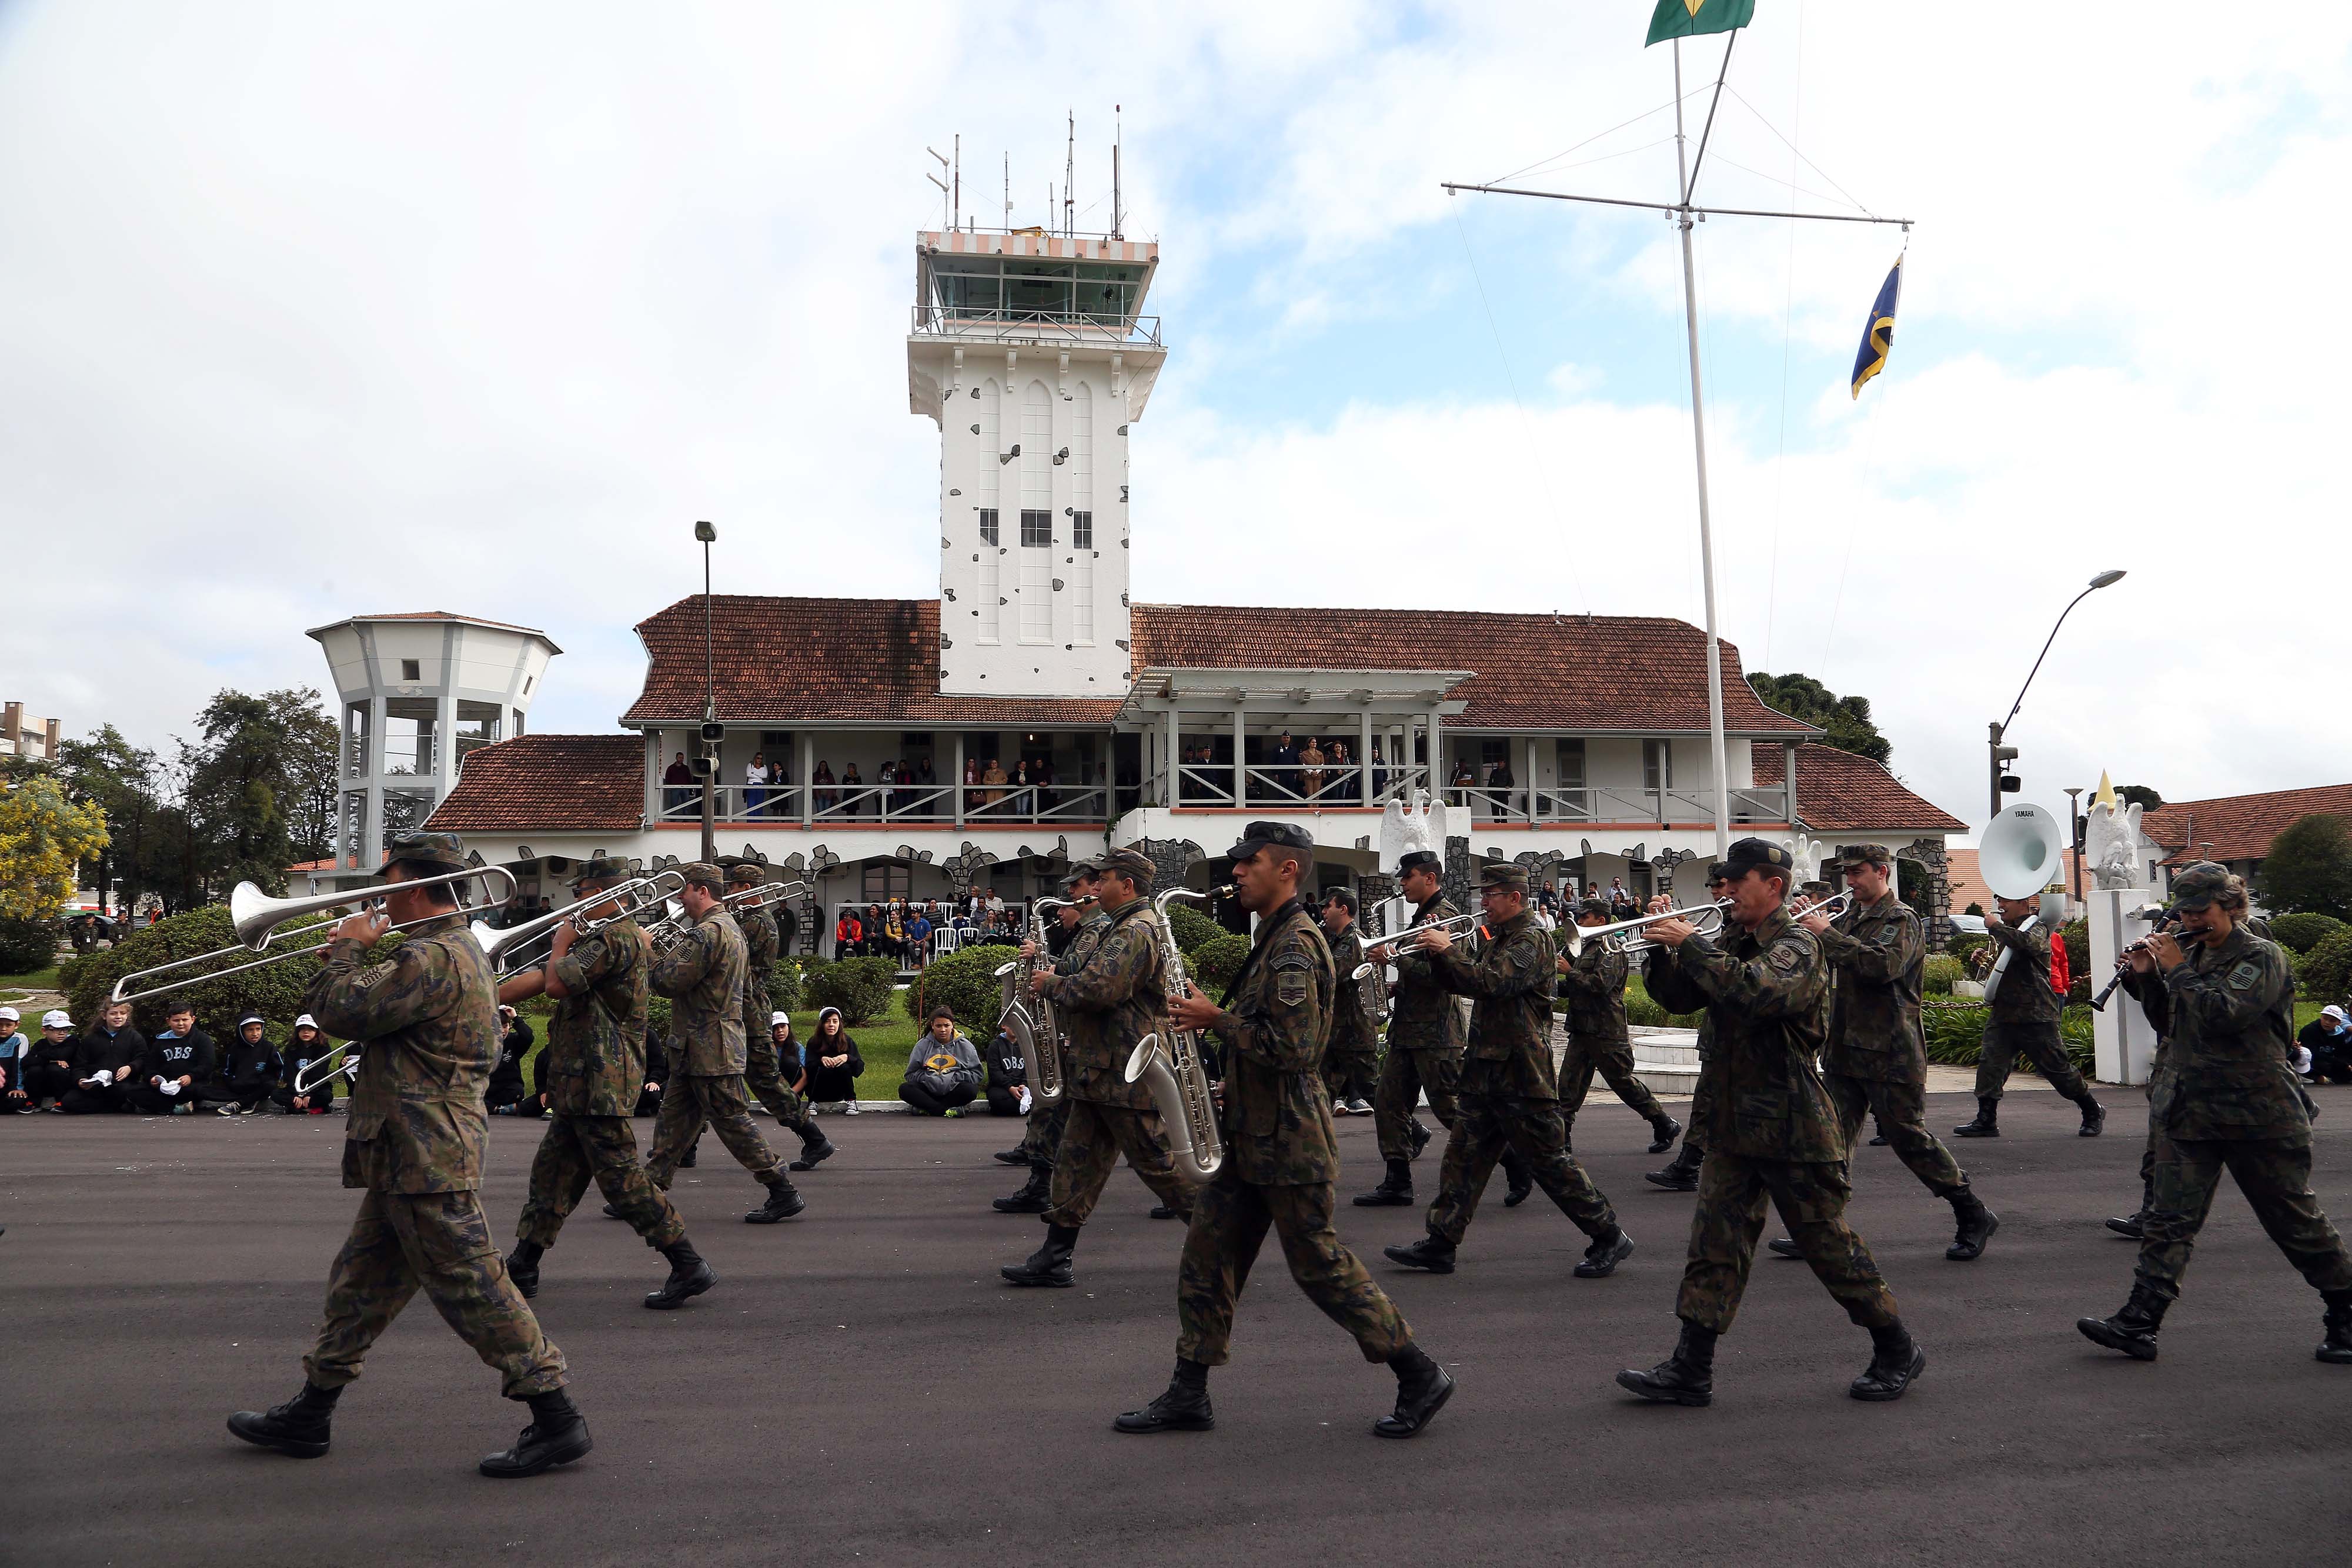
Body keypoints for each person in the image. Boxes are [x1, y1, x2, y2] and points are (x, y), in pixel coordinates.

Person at [226, 830, 586, 1479]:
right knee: (359, 1285)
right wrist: (356, 956)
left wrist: (345, 951)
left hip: (425, 1153)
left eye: (387, 884)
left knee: (474, 1285)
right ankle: (312, 1410)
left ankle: (557, 1417)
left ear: (415, 886)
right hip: (410, 1150)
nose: (379, 899)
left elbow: (338, 1010)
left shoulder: (432, 956)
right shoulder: (447, 949)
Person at [1121, 821, 1449, 1440]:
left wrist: (1217, 1019)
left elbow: (1295, 1050)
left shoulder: (1295, 945)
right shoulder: (1272, 936)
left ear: (1287, 869)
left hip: (1290, 1140)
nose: (1237, 871)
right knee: (1207, 1258)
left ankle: (1418, 1372)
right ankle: (1189, 1391)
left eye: (1250, 862)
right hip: (1252, 1130)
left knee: (1319, 1264)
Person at [1616, 837, 1922, 1408]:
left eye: (1738, 882)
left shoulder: (1798, 944)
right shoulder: (1733, 939)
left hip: (1791, 1122)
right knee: (1714, 1244)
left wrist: (1691, 943)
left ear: (1773, 886)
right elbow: (1681, 999)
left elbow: (1756, 992)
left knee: (1826, 1243)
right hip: (1734, 1121)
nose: (1726, 891)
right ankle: (1691, 1368)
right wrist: (1660, 947)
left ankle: (1895, 1346)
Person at [2078, 863, 2352, 1365]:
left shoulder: (2260, 955)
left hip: (2257, 1114)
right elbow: (2173, 1025)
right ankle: (2139, 1321)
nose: (2190, 920)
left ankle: (2345, 1310)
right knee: (2168, 1221)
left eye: (2200, 911)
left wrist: (2176, 967)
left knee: (2293, 1220)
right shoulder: (2195, 953)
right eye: (2184, 912)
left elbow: (2224, 1015)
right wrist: (2147, 979)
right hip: (2192, 1112)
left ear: (2230, 906)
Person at [1384, 863, 1632, 1281]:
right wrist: (1436, 953)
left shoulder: (1531, 939)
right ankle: (1441, 1242)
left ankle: (1608, 1234)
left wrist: (1447, 950)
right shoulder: (1499, 938)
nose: (1483, 902)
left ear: (1514, 898)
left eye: (1491, 895)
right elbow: (1462, 983)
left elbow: (1493, 983)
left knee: (1550, 1162)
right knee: (1462, 1157)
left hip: (1521, 1072)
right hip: (1486, 1068)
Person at [496, 857, 714, 1312]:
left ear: (598, 892)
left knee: (623, 1181)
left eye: (579, 893)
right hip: (582, 1080)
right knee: (552, 1174)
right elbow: (546, 979)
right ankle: (525, 1262)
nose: (574, 902)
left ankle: (688, 1263)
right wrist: (482, 992)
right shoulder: (612, 936)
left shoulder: (613, 937)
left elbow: (555, 984)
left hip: (599, 1080)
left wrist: (561, 940)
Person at [1762, 847, 1996, 1264]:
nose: (1850, 880)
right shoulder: (1851, 915)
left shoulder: (1900, 918)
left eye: (1857, 872)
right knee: (1830, 1140)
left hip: (1890, 1049)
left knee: (1909, 1138)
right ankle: (1820, 1227)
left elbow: (1882, 966)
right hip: (1846, 1047)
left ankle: (1971, 1210)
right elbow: (1821, 957)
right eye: (1846, 873)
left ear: (1882, 872)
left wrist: (1826, 932)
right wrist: (1800, 922)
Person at [1001, 848, 1195, 1288]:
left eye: (1103, 879)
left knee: (1162, 1168)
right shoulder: (1120, 925)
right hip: (1100, 1072)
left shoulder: (1135, 929)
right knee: (1075, 1165)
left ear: (1127, 885)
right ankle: (1055, 1257)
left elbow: (1101, 989)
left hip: (1125, 1074)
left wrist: (1051, 984)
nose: (1094, 887)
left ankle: (1225, 1242)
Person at [643, 863, 804, 1225]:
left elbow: (668, 981)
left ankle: (781, 1190)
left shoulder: (707, 933)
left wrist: (649, 950)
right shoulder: (731, 927)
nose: (680, 898)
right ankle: (647, 1191)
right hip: (700, 1045)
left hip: (708, 1047)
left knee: (732, 1121)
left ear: (702, 891)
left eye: (684, 890)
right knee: (673, 1121)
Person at [1954, 893, 2105, 1139]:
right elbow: (2003, 969)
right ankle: (1986, 1120)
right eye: (1999, 901)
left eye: (2006, 901)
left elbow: (2027, 944)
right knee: (1990, 1066)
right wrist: (1983, 961)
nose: (2001, 906)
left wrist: (1996, 927)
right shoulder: (2009, 932)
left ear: (2023, 903)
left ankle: (2091, 1110)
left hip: (2036, 1014)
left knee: (2057, 1069)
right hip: (2004, 1013)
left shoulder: (2038, 927)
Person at [994, 863, 1099, 1214]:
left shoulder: (1098, 928)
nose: (1068, 897)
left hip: (1082, 1039)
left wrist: (1043, 962)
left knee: (1061, 1114)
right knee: (1057, 1112)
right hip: (1071, 1034)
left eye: (1076, 887)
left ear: (1094, 890)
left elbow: (1077, 974)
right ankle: (1047, 1187)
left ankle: (1184, 1191)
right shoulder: (1087, 930)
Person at [726, 864, 834, 1172]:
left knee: (765, 1081)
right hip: (734, 1008)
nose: (729, 893)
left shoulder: (757, 922)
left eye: (733, 887)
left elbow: (737, 968)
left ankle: (814, 1139)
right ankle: (681, 1148)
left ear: (746, 888)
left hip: (747, 1009)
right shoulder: (743, 919)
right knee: (698, 1077)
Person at [1556, 900, 1682, 1155]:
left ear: (1600, 920)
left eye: (1585, 917)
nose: (1579, 921)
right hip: (1582, 1027)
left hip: (1605, 1028)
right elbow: (1576, 988)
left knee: (1621, 1081)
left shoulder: (1610, 947)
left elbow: (1601, 985)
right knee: (1569, 1085)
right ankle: (1561, 1139)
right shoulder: (1586, 946)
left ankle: (1662, 1122)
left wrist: (1569, 972)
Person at [1317, 890, 1377, 1117]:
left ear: (1343, 910)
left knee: (1373, 1093)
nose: (1323, 912)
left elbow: (1332, 974)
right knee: (1319, 1094)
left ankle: (1415, 1131)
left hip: (1354, 1032)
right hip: (1335, 1030)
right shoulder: (1333, 938)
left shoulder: (1353, 940)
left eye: (1328, 907)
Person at [64, 1001, 146, 1113]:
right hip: (95, 1085)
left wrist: (130, 1067)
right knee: (68, 1101)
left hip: (121, 1084)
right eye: (113, 1014)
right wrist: (81, 1079)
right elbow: (79, 1064)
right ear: (104, 1015)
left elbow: (142, 1059)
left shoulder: (135, 1037)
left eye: (123, 1013)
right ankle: (112, 1107)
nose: (118, 1017)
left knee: (127, 1091)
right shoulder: (91, 1038)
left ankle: (111, 1106)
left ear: (127, 1015)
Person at [900, 1005, 983, 1115]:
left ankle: (927, 1109)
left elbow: (977, 1074)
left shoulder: (965, 1045)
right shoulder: (922, 1045)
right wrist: (928, 1078)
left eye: (946, 1025)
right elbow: (910, 1074)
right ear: (932, 1025)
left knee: (970, 1090)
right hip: (928, 1089)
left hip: (953, 1090)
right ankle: (947, 1111)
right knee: (905, 1089)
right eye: (938, 1026)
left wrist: (955, 1078)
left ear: (952, 1025)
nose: (943, 1030)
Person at [199, 1015, 283, 1116]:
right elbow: (227, 1072)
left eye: (258, 1029)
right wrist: (234, 1082)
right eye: (250, 1030)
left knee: (270, 1085)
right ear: (242, 1031)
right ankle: (250, 1101)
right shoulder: (235, 1049)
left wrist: (262, 1079)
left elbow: (278, 1070)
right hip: (240, 1087)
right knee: (203, 1090)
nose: (255, 1034)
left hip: (260, 1086)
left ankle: (238, 1104)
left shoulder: (269, 1047)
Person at [276, 1015, 342, 1114]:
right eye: (302, 1029)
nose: (306, 1032)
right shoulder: (291, 1048)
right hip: (295, 1088)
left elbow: (320, 1072)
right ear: (297, 1031)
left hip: (316, 1088)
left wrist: (309, 1093)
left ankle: (305, 1107)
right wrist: (297, 1094)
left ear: (317, 1031)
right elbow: (289, 1071)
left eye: (311, 1029)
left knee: (326, 1096)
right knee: (276, 1094)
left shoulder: (323, 1047)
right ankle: (300, 1106)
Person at [804, 1007, 865, 1110]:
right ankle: (813, 1102)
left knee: (844, 1067)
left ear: (839, 1024)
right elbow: (808, 1069)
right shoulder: (814, 1042)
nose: (831, 1025)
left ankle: (851, 1100)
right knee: (824, 1068)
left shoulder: (847, 1041)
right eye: (827, 1021)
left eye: (835, 1021)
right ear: (822, 1024)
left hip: (839, 1092)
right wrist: (820, 1061)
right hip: (817, 1092)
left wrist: (848, 1058)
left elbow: (859, 1069)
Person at [22, 1009, 80, 1111]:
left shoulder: (73, 1041)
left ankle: (62, 1101)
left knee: (55, 1069)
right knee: (34, 1070)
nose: (62, 1033)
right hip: (45, 1083)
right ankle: (34, 1102)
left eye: (66, 1029)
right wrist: (50, 1061)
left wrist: (41, 1056)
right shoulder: (41, 1044)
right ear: (44, 1031)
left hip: (66, 1081)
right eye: (56, 1030)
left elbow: (62, 1054)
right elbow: (26, 1062)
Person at [486, 1007, 536, 1114]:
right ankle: (499, 1109)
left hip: (508, 1088)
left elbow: (528, 1037)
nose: (502, 1031)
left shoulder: (514, 1041)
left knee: (518, 1092)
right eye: (498, 1027)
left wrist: (515, 1017)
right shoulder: (483, 1043)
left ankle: (495, 1108)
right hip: (488, 1087)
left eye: (505, 1026)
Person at [981, 1021, 1029, 1117]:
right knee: (998, 1100)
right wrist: (1010, 1088)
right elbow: (995, 1072)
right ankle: (1022, 1110)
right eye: (1012, 1024)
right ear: (1004, 1026)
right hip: (1002, 1087)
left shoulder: (1027, 1045)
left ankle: (1020, 1109)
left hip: (1022, 1086)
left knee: (1038, 1101)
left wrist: (1024, 1085)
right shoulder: (995, 1045)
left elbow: (1030, 1070)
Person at [2299, 1004, 2352, 1085]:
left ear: (2339, 1023)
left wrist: (2346, 1064)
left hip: (2329, 1060)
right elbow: (2313, 1053)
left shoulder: (2339, 1034)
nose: (2327, 1023)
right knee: (2322, 1065)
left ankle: (2329, 1078)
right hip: (2312, 1060)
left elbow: (2342, 1053)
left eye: (2332, 1021)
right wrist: (2337, 1062)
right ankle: (2311, 1076)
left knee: (2344, 1069)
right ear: (2321, 1017)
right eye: (2325, 1019)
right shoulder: (2309, 1030)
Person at [1, 1008, 30, 1113]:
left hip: (10, 1085)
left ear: (17, 1025)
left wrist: (18, 1088)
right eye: (0, 1025)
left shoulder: (20, 1039)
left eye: (8, 1025)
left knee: (17, 1101)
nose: (3, 1029)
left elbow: (18, 1065)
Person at [662, 751, 693, 815]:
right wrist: (669, 787)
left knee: (686, 806)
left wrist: (691, 789)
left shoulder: (686, 768)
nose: (681, 759)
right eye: (680, 758)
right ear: (676, 758)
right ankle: (673, 819)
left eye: (682, 758)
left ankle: (686, 819)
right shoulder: (671, 768)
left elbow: (689, 778)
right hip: (675, 788)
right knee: (674, 806)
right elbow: (668, 778)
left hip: (685, 788)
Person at [744, 752, 769, 820]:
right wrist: (759, 776)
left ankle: (758, 822)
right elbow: (749, 774)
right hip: (751, 785)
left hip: (761, 785)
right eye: (758, 758)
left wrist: (754, 774)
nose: (759, 760)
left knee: (759, 804)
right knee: (751, 805)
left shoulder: (764, 766)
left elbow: (765, 776)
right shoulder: (750, 765)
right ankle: (751, 822)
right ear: (755, 758)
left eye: (761, 758)